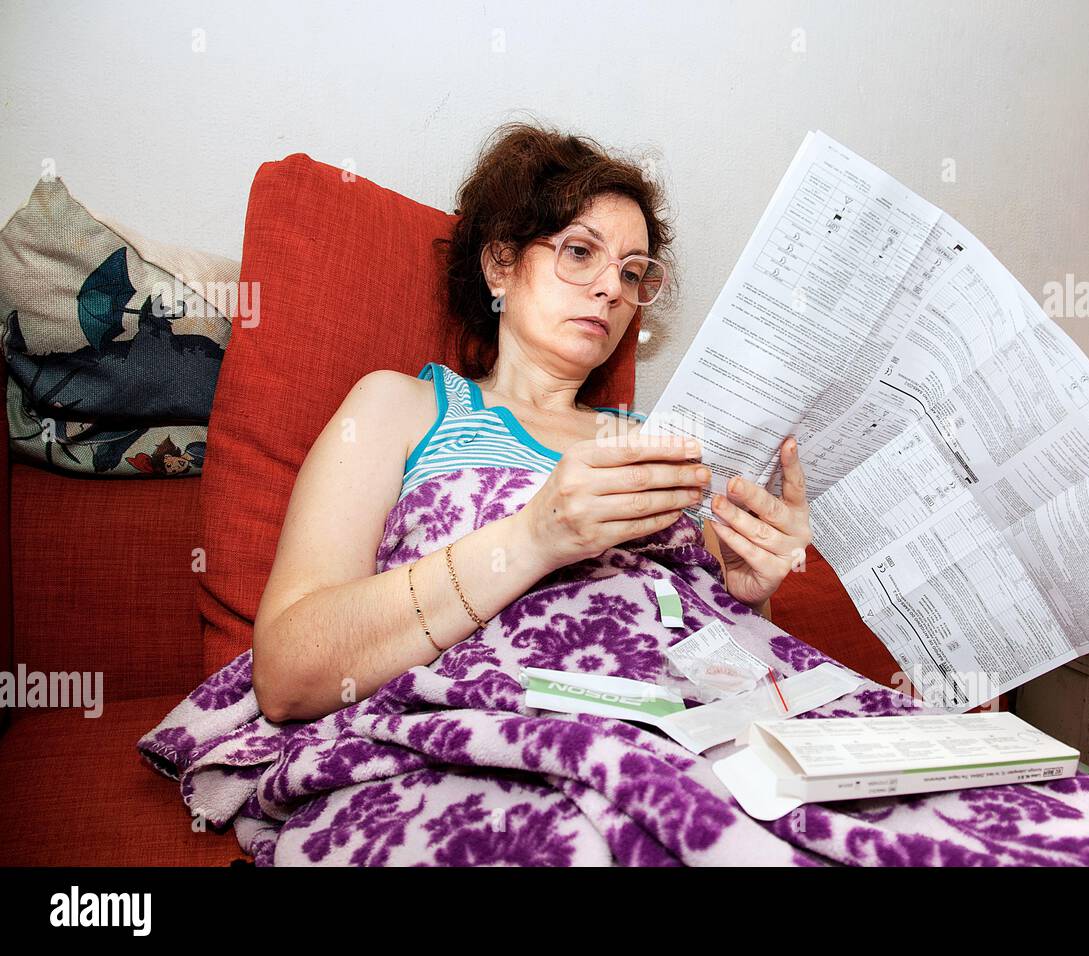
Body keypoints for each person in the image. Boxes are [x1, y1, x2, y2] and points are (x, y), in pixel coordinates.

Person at [251, 120, 811, 723]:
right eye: (579, 252)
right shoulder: (398, 407)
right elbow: (286, 675)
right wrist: (533, 538)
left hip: (698, 723)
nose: (610, 290)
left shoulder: (658, 443)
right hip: (508, 731)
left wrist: (747, 591)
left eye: (630, 272)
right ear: (501, 265)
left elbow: (713, 641)